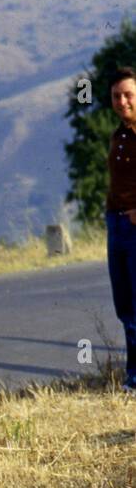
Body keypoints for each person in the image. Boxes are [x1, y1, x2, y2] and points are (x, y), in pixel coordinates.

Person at [106, 66, 136, 392]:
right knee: (124, 305)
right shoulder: (119, 134)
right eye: (117, 96)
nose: (122, 101)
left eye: (128, 95)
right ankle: (132, 375)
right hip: (115, 225)